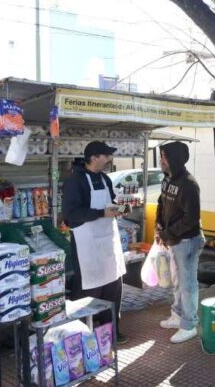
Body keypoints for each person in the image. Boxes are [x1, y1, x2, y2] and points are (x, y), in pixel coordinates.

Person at [62, 141, 128, 344]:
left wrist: (119, 208)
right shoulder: (75, 180)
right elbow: (70, 214)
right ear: (93, 157)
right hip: (87, 245)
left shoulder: (105, 179)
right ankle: (80, 336)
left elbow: (109, 204)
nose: (108, 160)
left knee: (113, 287)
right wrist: (101, 213)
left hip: (108, 241)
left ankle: (112, 331)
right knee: (88, 290)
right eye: (105, 156)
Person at [155, 142, 204, 344]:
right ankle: (177, 315)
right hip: (174, 239)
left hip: (188, 241)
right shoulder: (167, 179)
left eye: (164, 156)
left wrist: (167, 233)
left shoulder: (189, 184)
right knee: (177, 281)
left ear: (174, 158)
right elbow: (162, 203)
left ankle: (189, 324)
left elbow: (190, 218)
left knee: (188, 284)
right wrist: (159, 225)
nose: (161, 160)